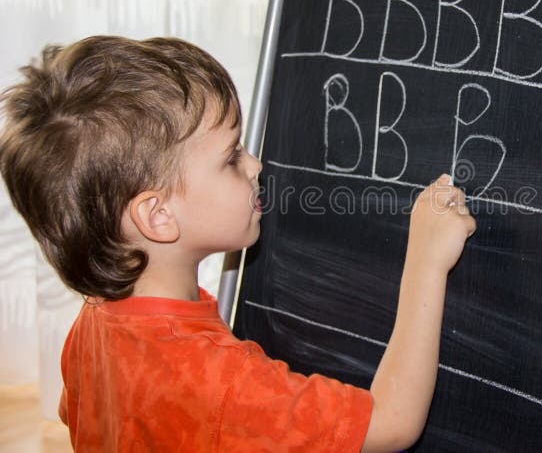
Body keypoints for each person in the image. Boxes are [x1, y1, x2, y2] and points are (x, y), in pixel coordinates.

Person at [0, 36, 476, 452]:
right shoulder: (219, 383)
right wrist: (425, 262)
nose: (256, 165)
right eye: (231, 158)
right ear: (158, 215)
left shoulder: (95, 322)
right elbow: (391, 424)